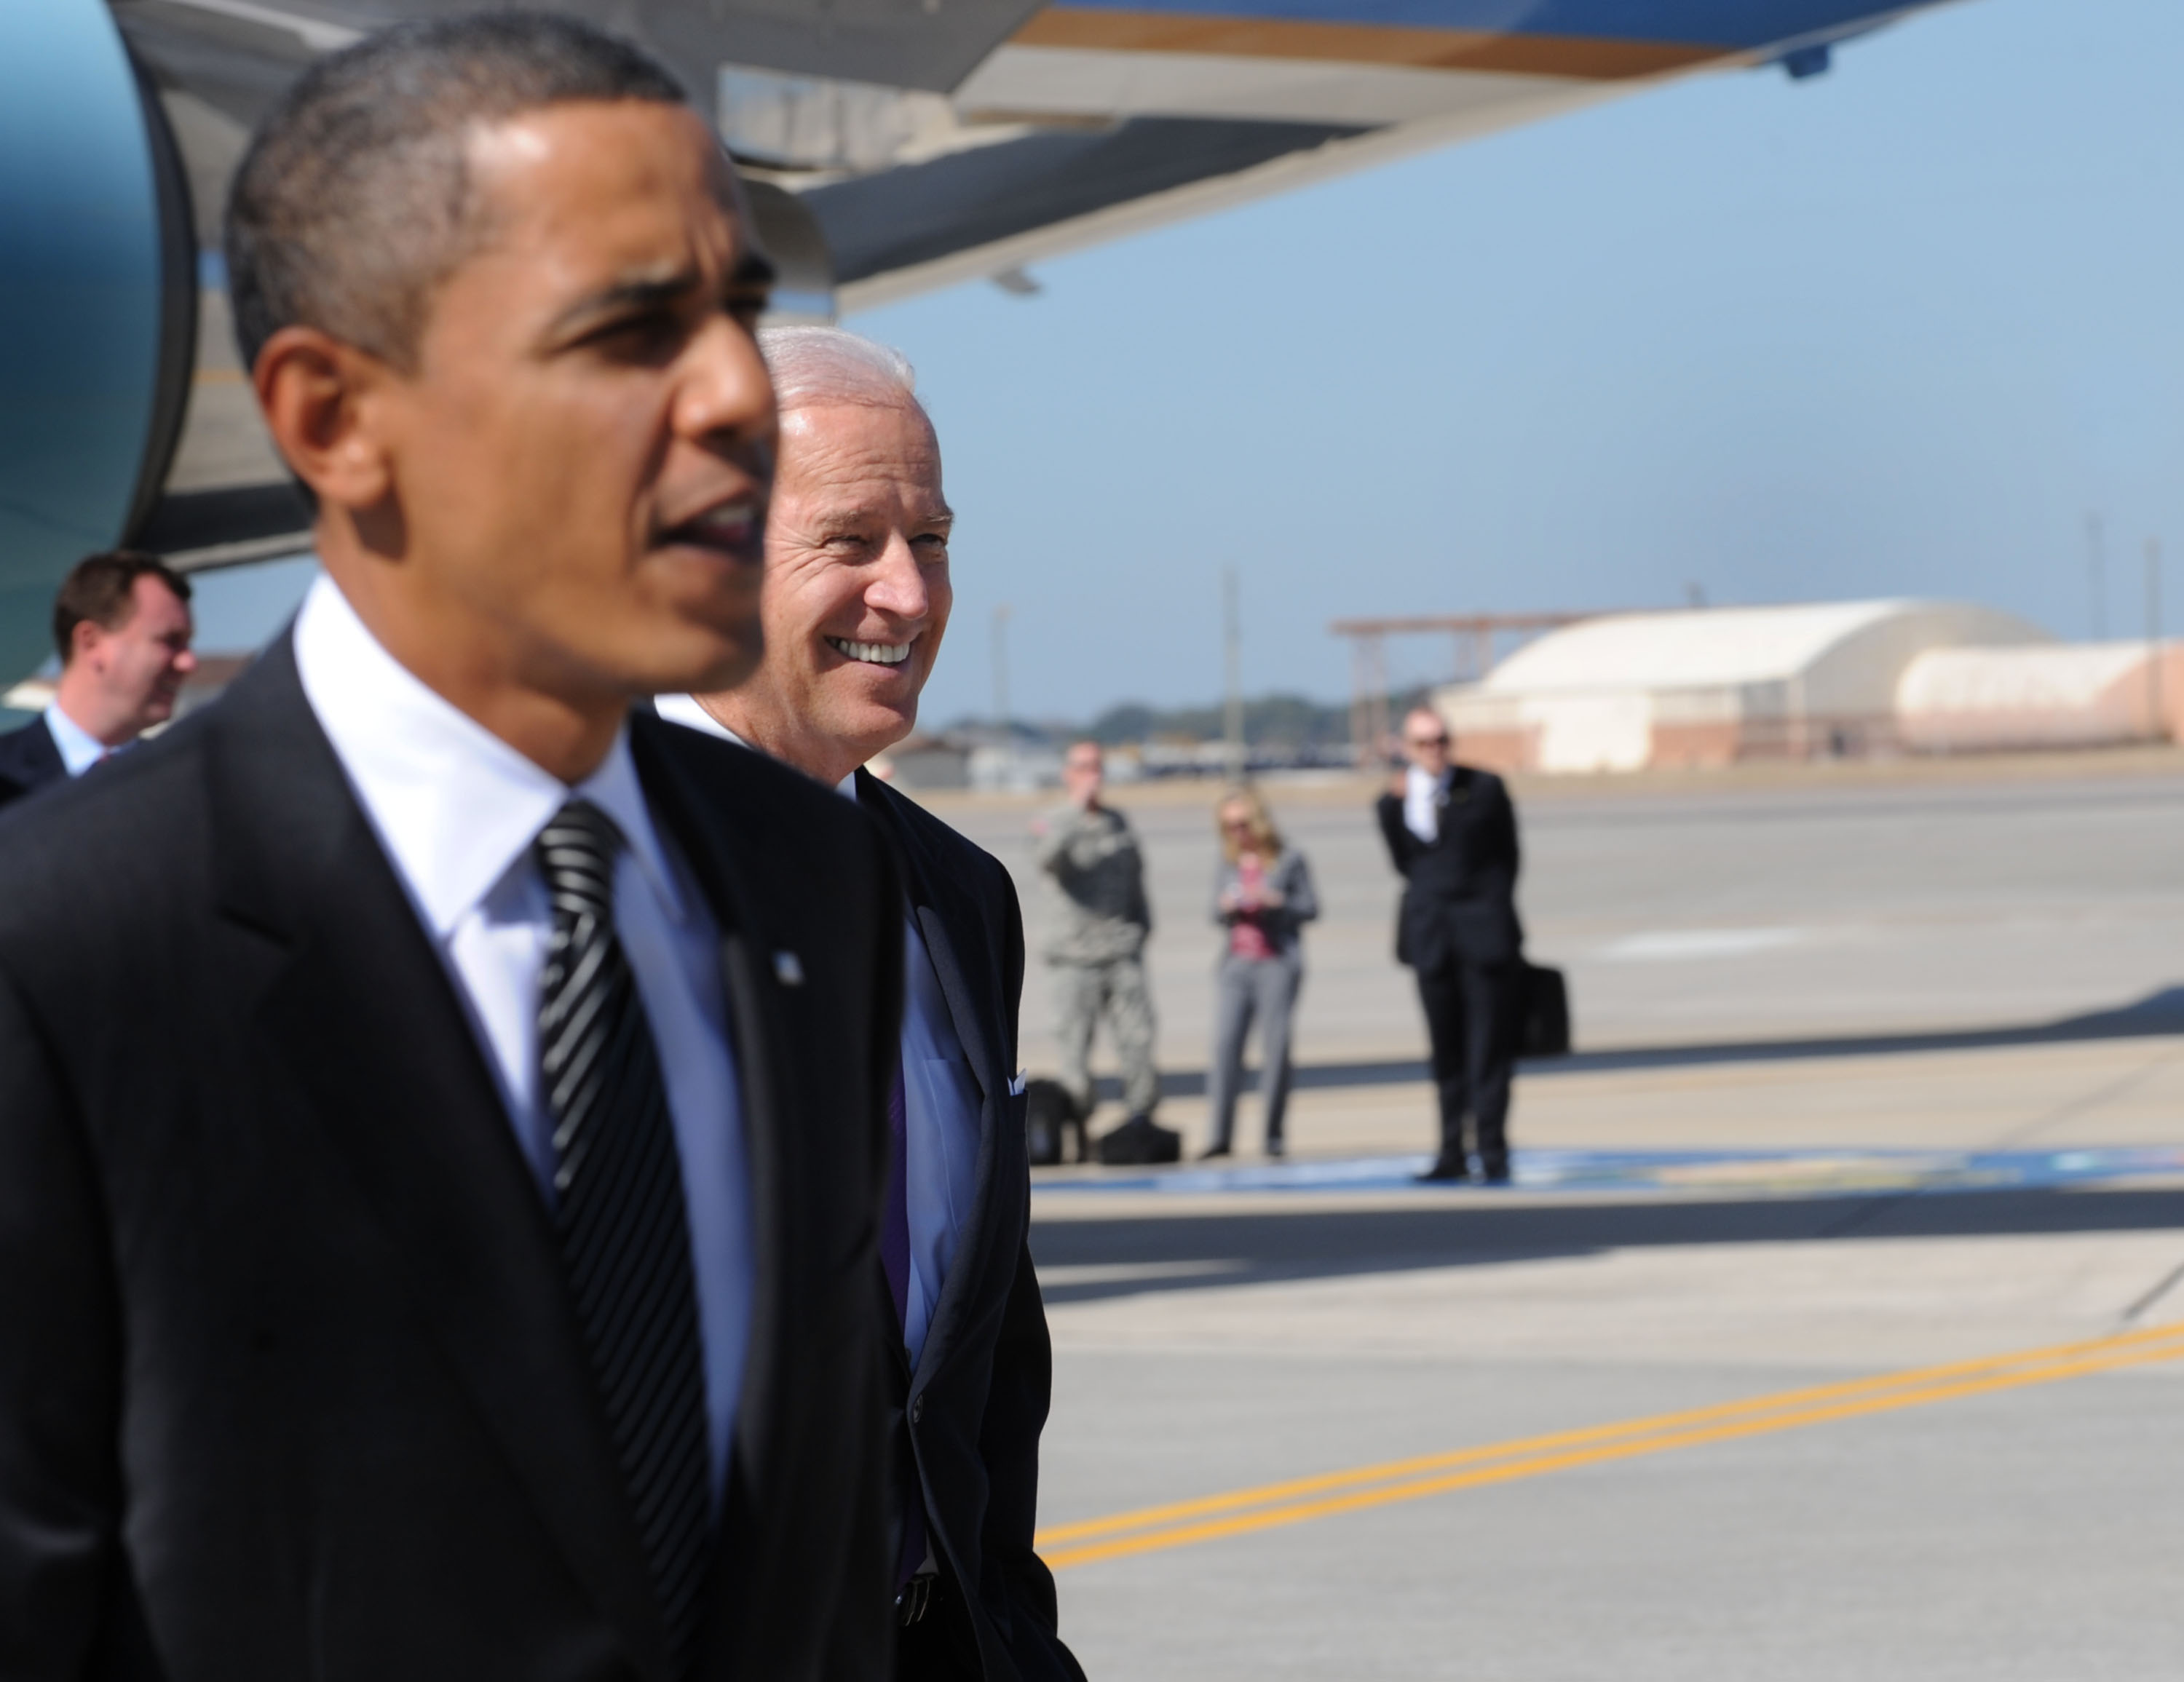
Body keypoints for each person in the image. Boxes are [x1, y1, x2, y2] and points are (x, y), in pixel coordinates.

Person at [0, 17, 900, 1678]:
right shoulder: (64, 951)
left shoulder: (814, 891)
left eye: (739, 314)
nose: (732, 397)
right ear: (335, 416)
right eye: (634, 329)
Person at [657, 325, 1083, 1681]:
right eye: (850, 539)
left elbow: (980, 1353)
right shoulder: (562, 878)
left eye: (935, 540)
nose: (907, 595)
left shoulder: (959, 896)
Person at [1376, 707, 1524, 1185]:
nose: (1433, 750)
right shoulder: (1394, 801)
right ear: (1407, 747)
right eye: (1422, 743)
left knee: (1488, 1050)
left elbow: (1508, 857)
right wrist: (1400, 802)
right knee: (1446, 1051)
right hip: (1430, 938)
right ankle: (1449, 1150)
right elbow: (1405, 864)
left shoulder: (1483, 788)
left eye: (1440, 740)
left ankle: (1492, 1150)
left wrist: (1491, 912)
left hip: (1483, 936)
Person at [0, 550, 196, 808]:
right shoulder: (6, 780)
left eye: (186, 644)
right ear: (91, 642)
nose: (188, 663)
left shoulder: (190, 784)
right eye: (169, 641)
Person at [1034, 741, 1159, 1136]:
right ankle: (1079, 1129)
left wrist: (1142, 928)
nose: (1093, 776)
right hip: (1074, 956)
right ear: (1068, 773)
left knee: (1138, 1041)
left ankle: (1141, 1122)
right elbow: (1048, 861)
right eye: (1084, 768)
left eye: (1098, 768)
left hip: (1121, 950)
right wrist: (1075, 811)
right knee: (1074, 1050)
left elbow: (1136, 877)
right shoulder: (1053, 821)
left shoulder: (1118, 822)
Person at [1200, 787, 1318, 1160]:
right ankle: (1220, 1137)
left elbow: (1311, 907)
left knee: (1276, 1049)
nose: (1238, 833)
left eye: (1243, 824)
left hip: (1277, 961)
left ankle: (1273, 1135)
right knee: (1224, 1046)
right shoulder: (1228, 861)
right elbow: (1214, 913)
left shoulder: (1289, 858)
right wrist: (1227, 907)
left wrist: (1277, 902)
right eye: (1229, 827)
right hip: (1236, 963)